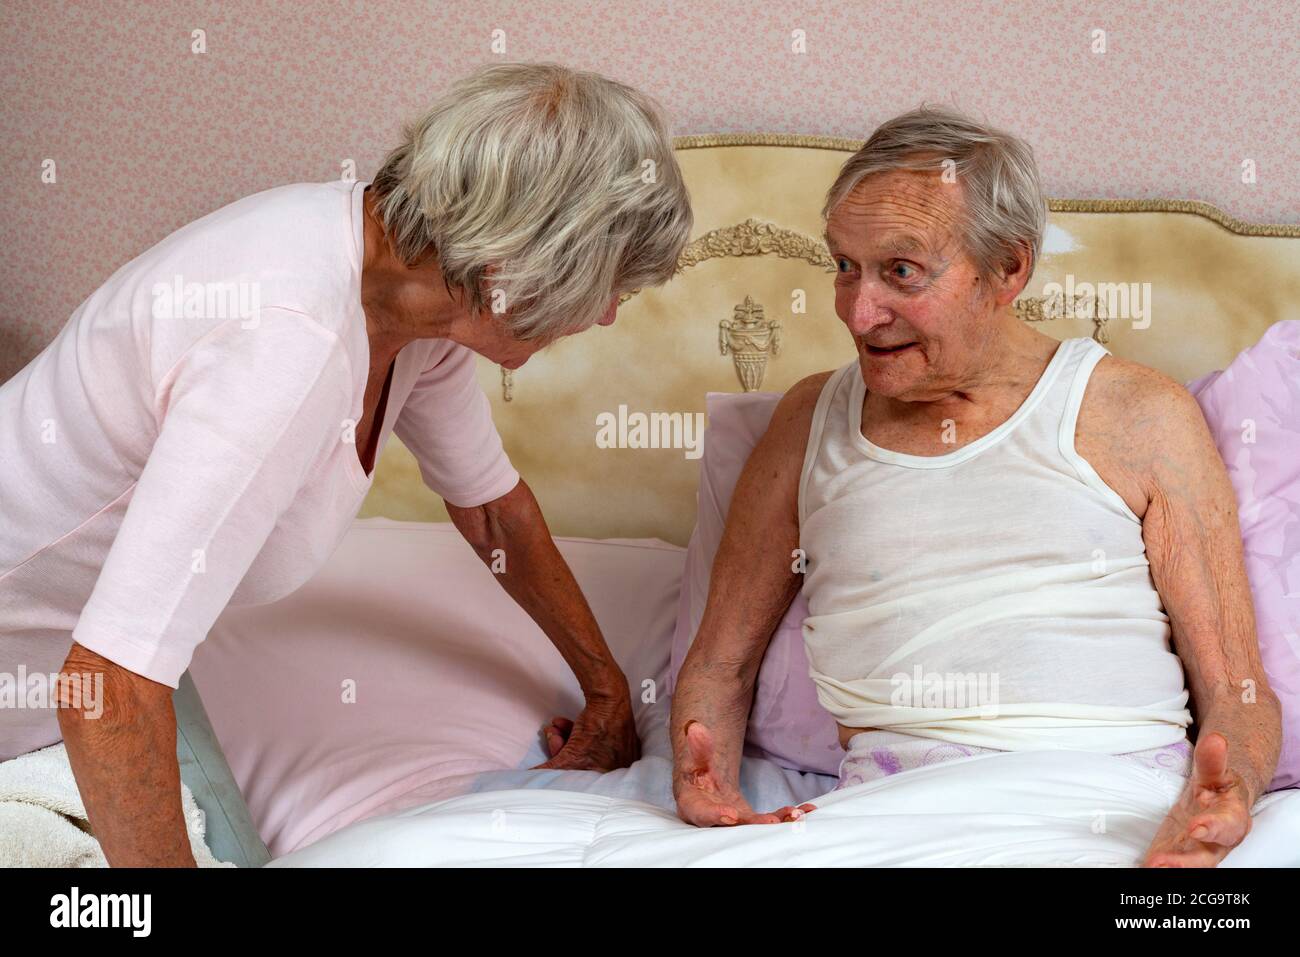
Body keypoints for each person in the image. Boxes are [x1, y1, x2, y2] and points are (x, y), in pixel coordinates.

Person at [0, 62, 692, 866]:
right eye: (610, 286)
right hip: (75, 690)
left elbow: (493, 509)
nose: (607, 315)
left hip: (83, 678)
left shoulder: (410, 301)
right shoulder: (289, 341)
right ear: (519, 266)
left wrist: (608, 691)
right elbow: (110, 686)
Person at [670, 106, 1281, 867]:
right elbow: (717, 665)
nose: (859, 312)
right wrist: (705, 784)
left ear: (1009, 270)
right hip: (882, 818)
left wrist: (1224, 793)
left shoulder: (1139, 413)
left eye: (902, 271)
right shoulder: (808, 420)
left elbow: (1237, 689)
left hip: (1108, 807)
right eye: (844, 266)